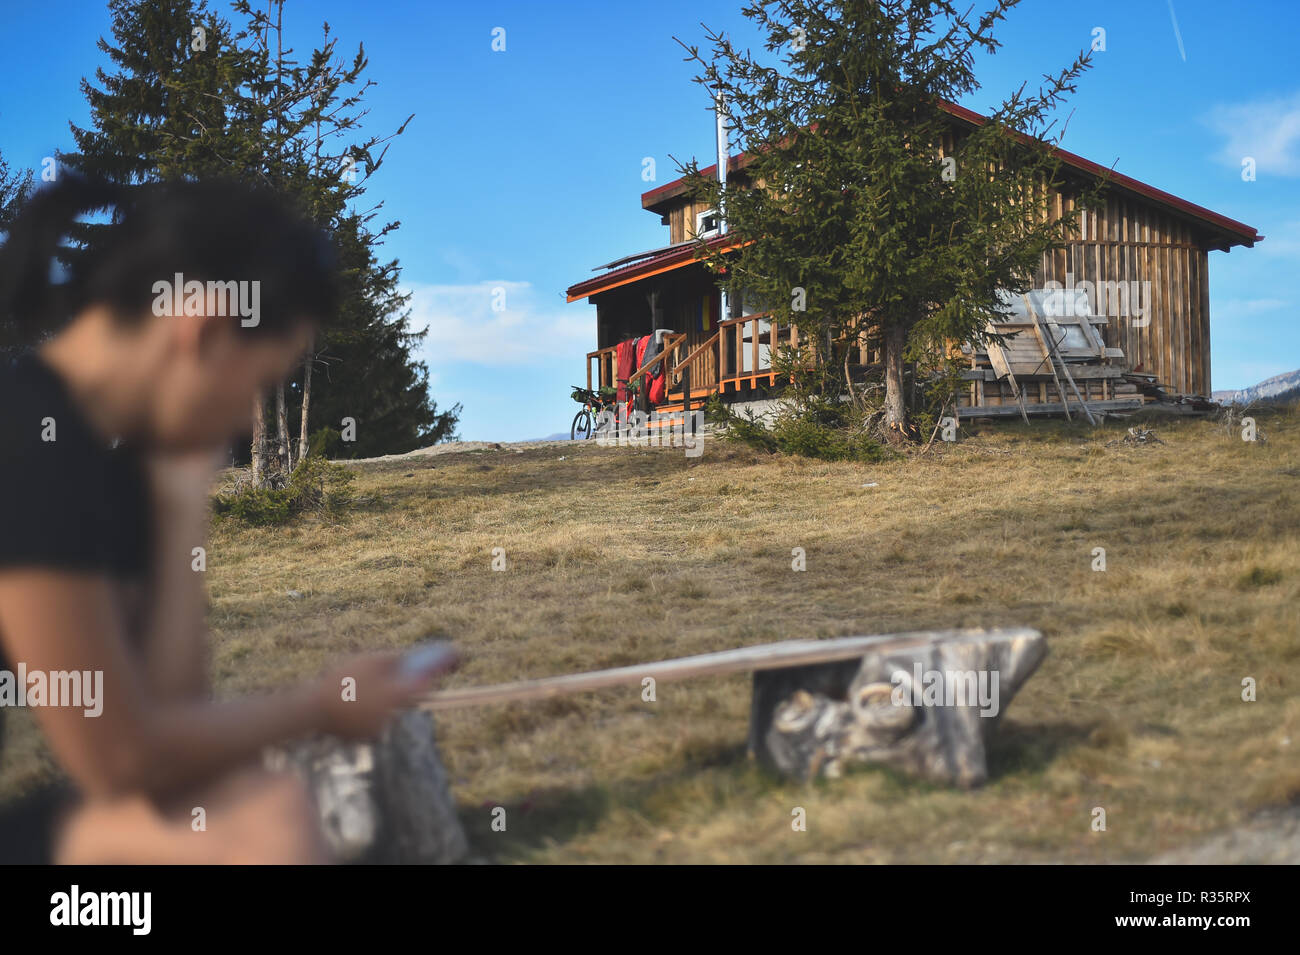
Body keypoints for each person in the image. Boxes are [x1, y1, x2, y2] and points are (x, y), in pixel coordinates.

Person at [0, 175, 452, 863]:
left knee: (255, 809)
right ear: (203, 327)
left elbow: (170, 729)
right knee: (258, 835)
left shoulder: (99, 455)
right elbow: (120, 758)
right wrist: (320, 708)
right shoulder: (31, 440)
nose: (248, 413)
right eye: (261, 378)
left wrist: (183, 500)